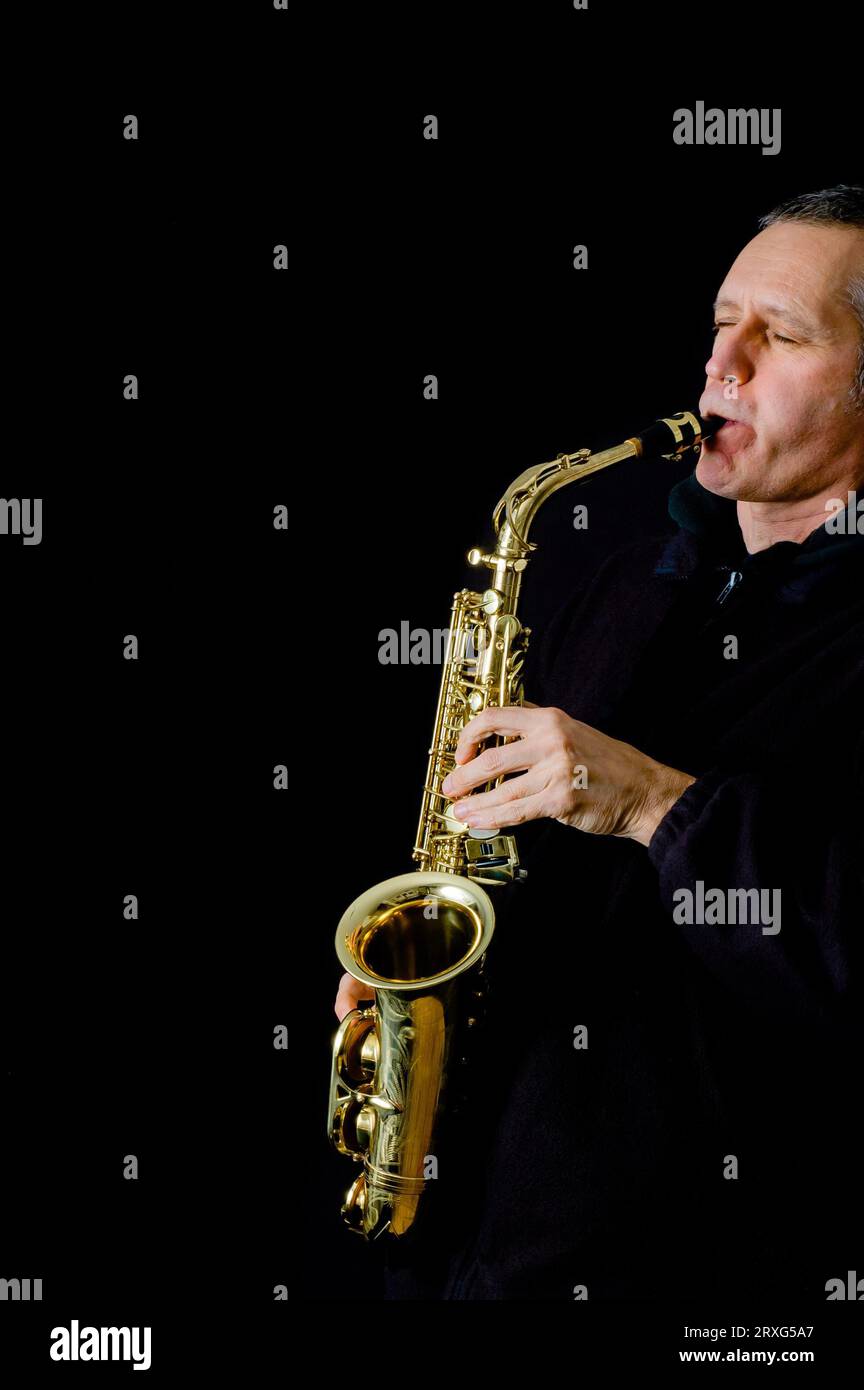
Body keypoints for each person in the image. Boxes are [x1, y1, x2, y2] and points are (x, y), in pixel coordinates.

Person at [335, 184, 864, 1300]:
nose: (724, 363)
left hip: (712, 1276)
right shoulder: (631, 581)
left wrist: (654, 804)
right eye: (724, 322)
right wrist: (419, 992)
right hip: (483, 1244)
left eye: (783, 334)